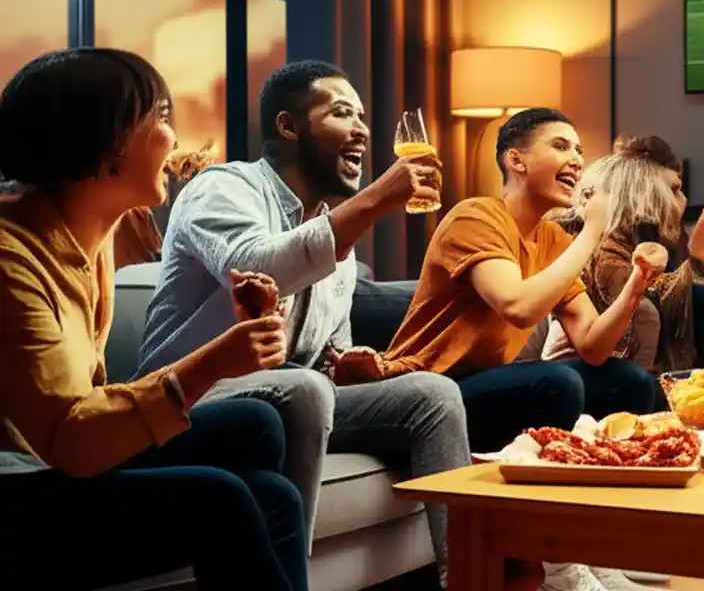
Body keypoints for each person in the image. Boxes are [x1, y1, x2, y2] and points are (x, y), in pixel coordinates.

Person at [133, 60, 470, 580]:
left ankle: (467, 577)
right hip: (193, 393)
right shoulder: (225, 187)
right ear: (288, 126)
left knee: (433, 394)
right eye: (341, 113)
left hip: (298, 397)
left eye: (361, 116)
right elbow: (258, 266)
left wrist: (349, 366)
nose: (361, 128)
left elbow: (324, 357)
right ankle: (292, 578)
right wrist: (375, 199)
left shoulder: (334, 241)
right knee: (305, 388)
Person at [0, 48, 307, 590]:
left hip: (56, 457)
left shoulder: (90, 242)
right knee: (222, 498)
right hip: (18, 482)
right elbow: (70, 441)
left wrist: (226, 340)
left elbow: (90, 401)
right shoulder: (10, 259)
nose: (175, 138)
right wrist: (216, 360)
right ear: (106, 141)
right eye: (161, 118)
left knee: (260, 437)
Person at [379, 108, 661, 455]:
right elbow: (518, 306)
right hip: (429, 387)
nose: (575, 160)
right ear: (516, 160)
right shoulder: (475, 217)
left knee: (628, 381)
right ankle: (542, 497)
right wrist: (592, 231)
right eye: (561, 146)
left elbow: (593, 345)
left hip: (484, 383)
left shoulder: (554, 239)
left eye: (578, 151)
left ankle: (607, 487)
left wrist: (637, 283)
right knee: (557, 383)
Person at [542, 113, 704, 373]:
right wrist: (702, 245)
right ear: (643, 195)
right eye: (674, 189)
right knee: (703, 297)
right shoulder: (601, 250)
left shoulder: (660, 239)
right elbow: (657, 305)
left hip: (650, 372)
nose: (682, 199)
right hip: (598, 377)